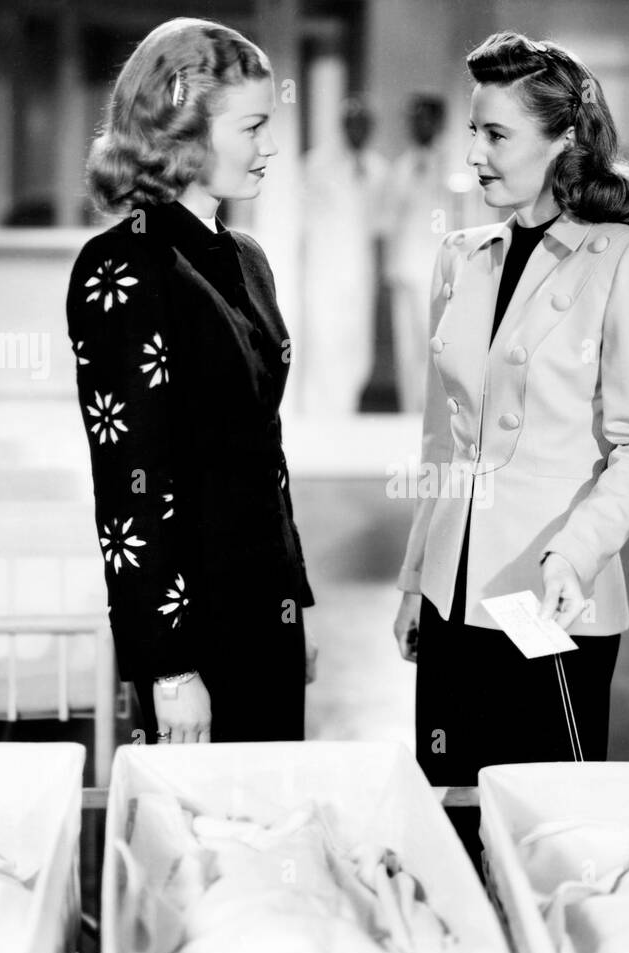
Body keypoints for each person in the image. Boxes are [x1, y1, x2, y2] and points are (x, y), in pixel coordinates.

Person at [393, 32, 629, 792]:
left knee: (546, 832)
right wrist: (416, 579)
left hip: (549, 602)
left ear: (563, 141)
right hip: (451, 597)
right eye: (473, 132)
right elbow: (440, 440)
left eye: (496, 135)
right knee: (450, 815)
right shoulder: (460, 255)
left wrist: (577, 553)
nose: (476, 154)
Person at [66, 17, 317, 745]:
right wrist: (170, 669)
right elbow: (129, 490)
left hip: (265, 606)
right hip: (193, 631)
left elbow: (264, 452)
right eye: (253, 126)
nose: (270, 146)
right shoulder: (121, 268)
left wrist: (293, 601)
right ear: (184, 130)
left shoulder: (246, 257)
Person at [293, 97, 391, 415]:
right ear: (342, 126)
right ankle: (322, 412)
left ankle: (346, 410)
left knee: (357, 346)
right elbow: (303, 226)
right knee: (324, 340)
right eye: (352, 123)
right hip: (324, 271)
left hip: (358, 273)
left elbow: (380, 228)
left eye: (364, 124)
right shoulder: (315, 166)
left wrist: (377, 273)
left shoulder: (378, 170)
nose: (358, 130)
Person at [385, 94, 453, 413]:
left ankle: (433, 414)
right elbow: (389, 222)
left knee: (436, 345)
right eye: (414, 118)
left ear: (437, 122)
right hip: (406, 270)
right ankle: (409, 412)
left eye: (425, 117)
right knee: (406, 347)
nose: (418, 124)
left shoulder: (454, 165)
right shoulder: (399, 168)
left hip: (439, 270)